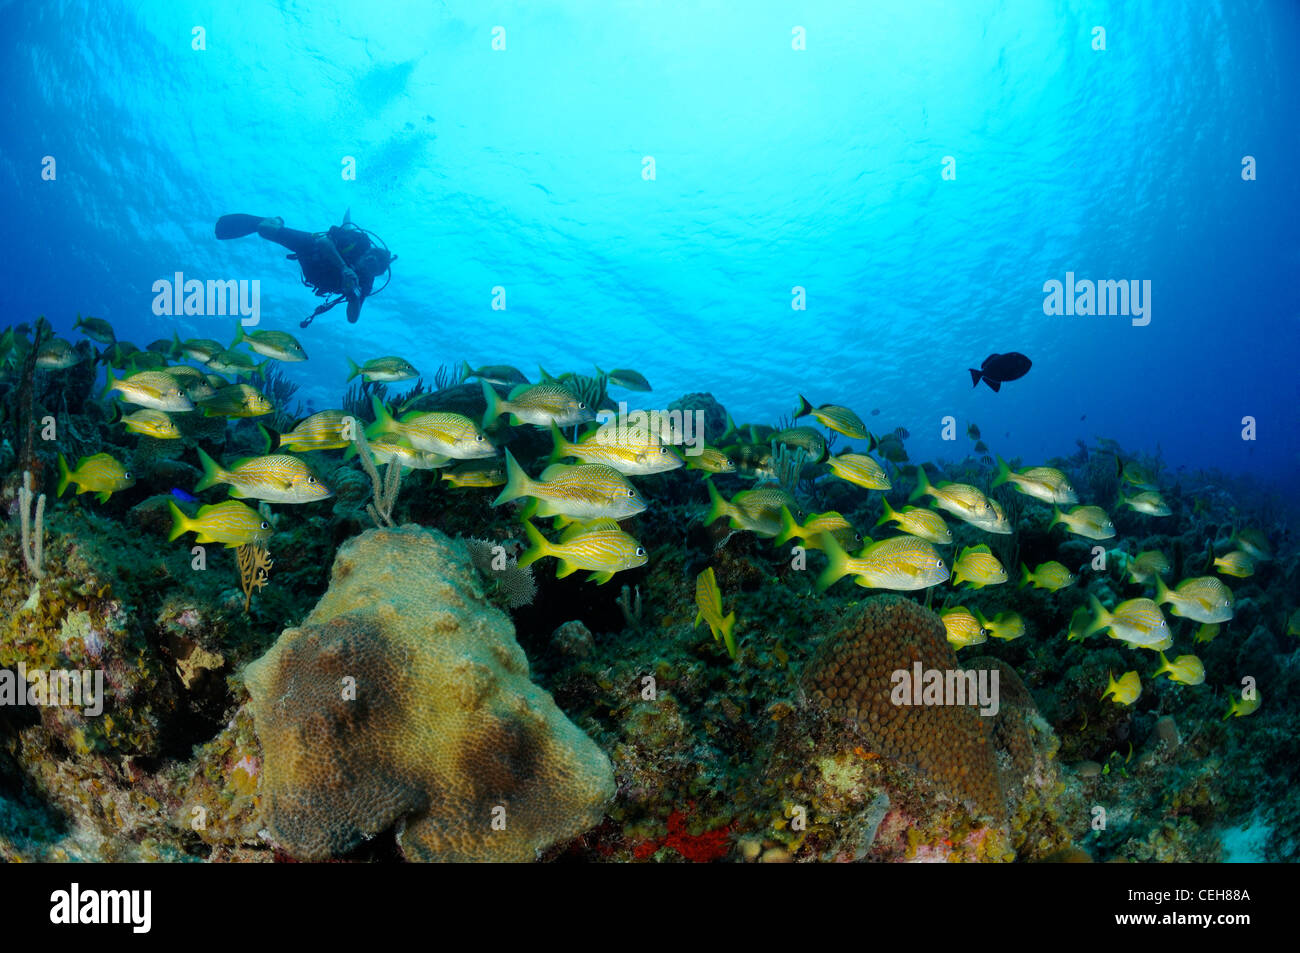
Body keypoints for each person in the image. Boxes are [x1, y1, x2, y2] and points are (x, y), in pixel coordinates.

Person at [215, 210, 395, 325]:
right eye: (372, 257)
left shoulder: (364, 284)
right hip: (311, 248)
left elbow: (352, 318)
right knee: (263, 228)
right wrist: (343, 267)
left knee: (265, 230)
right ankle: (276, 221)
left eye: (375, 267)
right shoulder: (357, 244)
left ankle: (275, 225)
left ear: (376, 274)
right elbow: (325, 241)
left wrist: (353, 296)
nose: (371, 262)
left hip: (314, 275)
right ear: (367, 252)